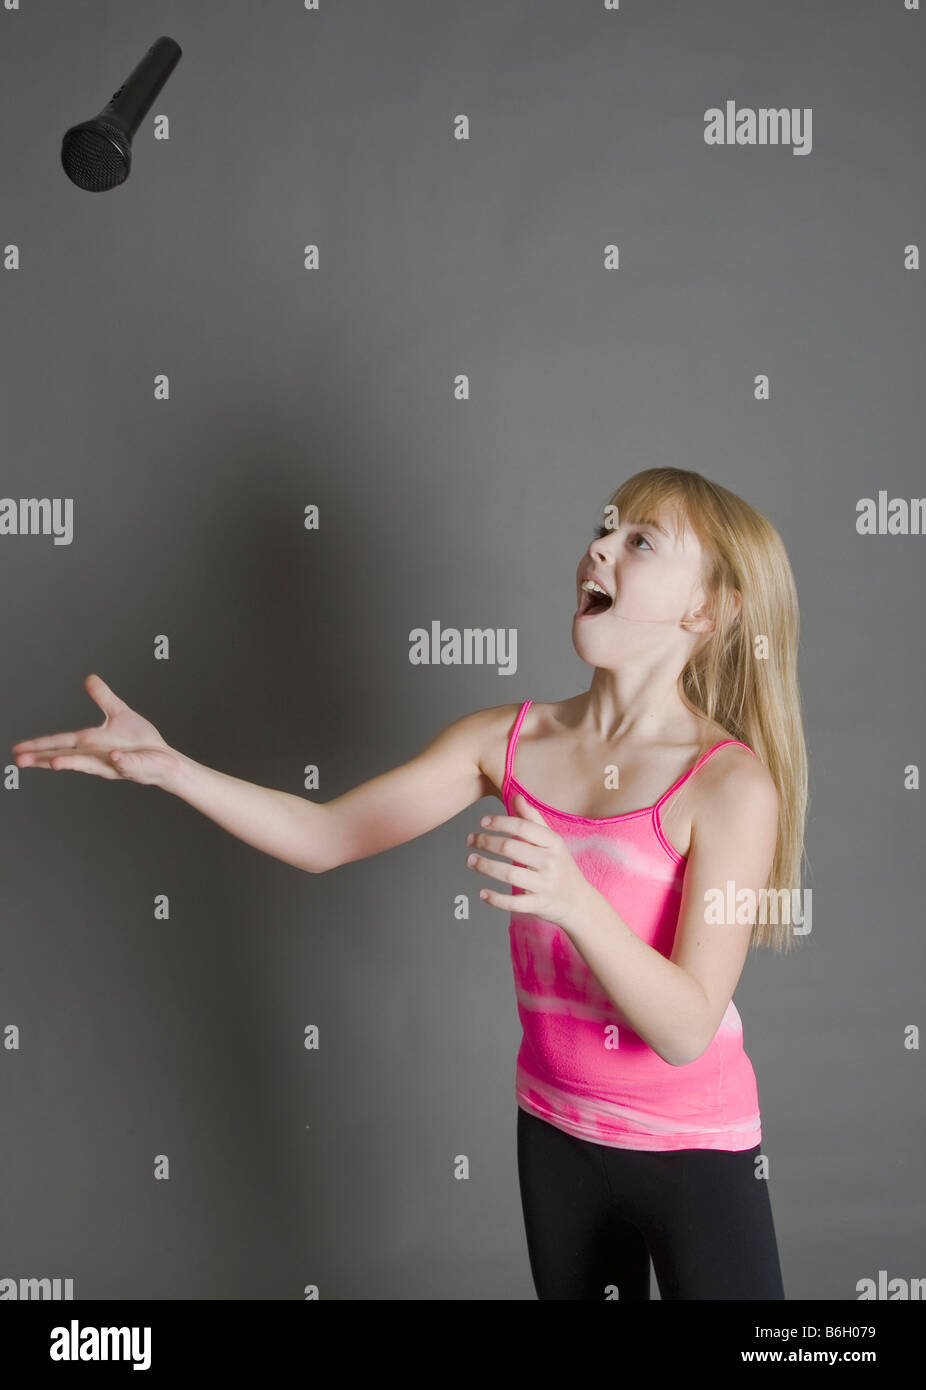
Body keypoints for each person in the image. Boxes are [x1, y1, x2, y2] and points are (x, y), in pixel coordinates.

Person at [11, 465, 807, 1301]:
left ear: (707, 612)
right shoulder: (507, 740)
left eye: (639, 542)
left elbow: (686, 1029)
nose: (599, 548)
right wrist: (172, 770)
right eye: (604, 529)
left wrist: (574, 900)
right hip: (558, 1139)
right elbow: (327, 836)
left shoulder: (729, 787)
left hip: (696, 1154)